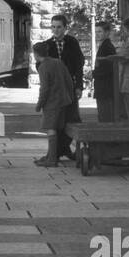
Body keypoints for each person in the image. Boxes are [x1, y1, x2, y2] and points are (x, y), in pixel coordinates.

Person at [46, 14, 84, 157]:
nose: (55, 30)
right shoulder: (47, 45)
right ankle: (61, 150)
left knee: (73, 118)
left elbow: (79, 66)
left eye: (59, 27)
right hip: (55, 90)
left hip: (70, 87)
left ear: (65, 28)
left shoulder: (72, 42)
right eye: (53, 27)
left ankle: (64, 148)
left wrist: (79, 86)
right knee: (58, 120)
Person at [33, 40, 75, 167]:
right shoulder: (58, 62)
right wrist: (70, 97)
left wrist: (39, 104)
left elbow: (44, 88)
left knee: (51, 129)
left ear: (35, 54)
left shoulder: (43, 67)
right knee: (57, 129)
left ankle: (51, 159)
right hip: (64, 101)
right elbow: (69, 80)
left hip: (52, 103)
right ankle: (50, 156)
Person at [93, 20, 119, 122]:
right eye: (96, 31)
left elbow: (108, 68)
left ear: (107, 32)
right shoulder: (104, 45)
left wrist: (93, 73)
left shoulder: (107, 47)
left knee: (105, 116)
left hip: (105, 87)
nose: (97, 34)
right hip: (103, 87)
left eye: (100, 31)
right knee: (103, 115)